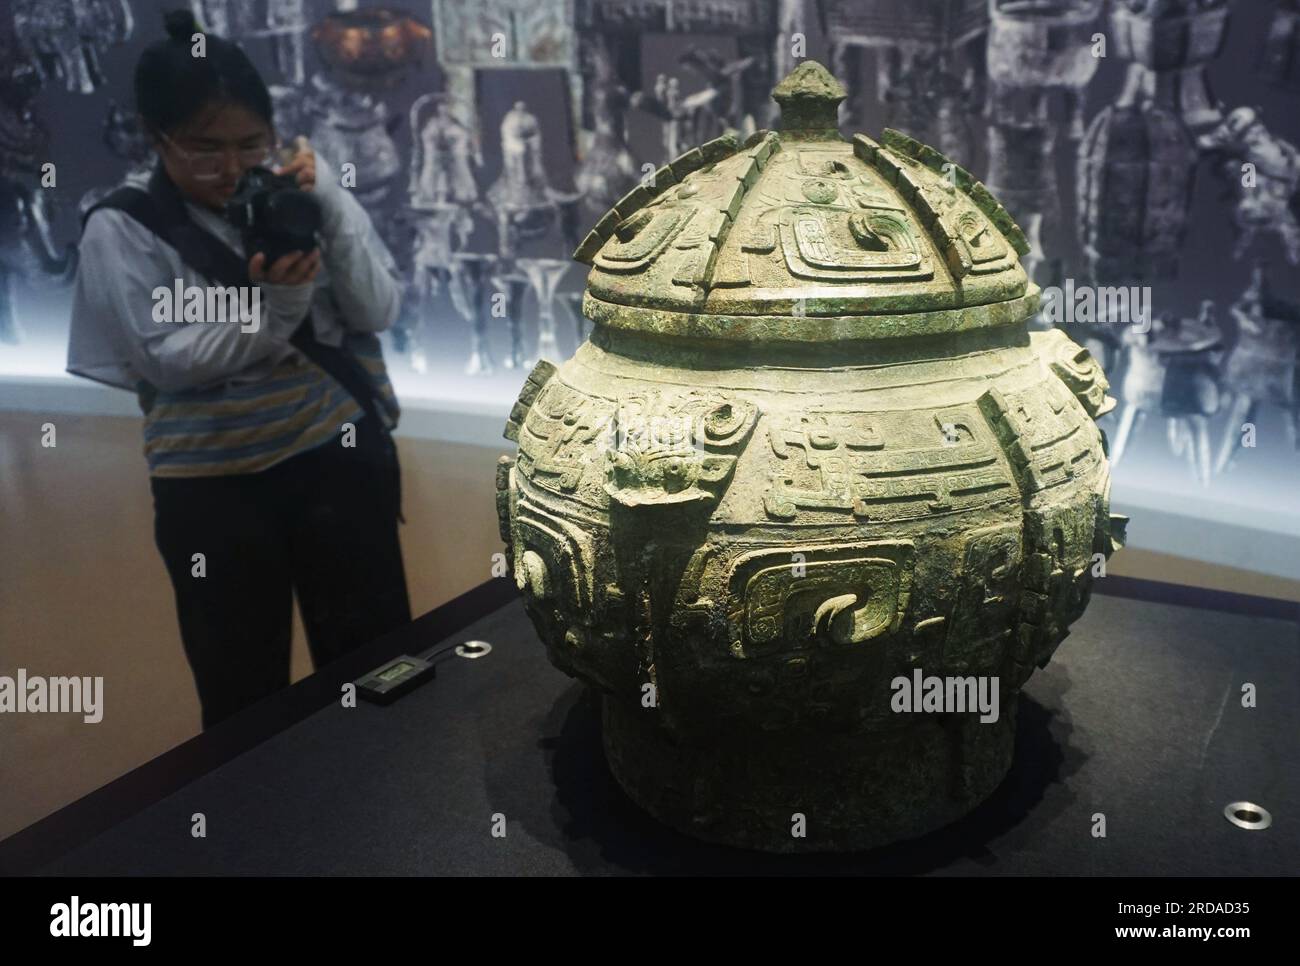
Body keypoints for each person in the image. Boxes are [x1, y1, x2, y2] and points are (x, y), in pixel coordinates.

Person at [67, 10, 412, 729]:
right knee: (243, 696)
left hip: (337, 457)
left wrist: (332, 205)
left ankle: (391, 819)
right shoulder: (121, 226)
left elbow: (376, 310)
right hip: (214, 491)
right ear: (157, 138)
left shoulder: (292, 193)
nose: (231, 168)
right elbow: (166, 360)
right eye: (203, 148)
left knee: (378, 665)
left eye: (251, 143)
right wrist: (279, 309)